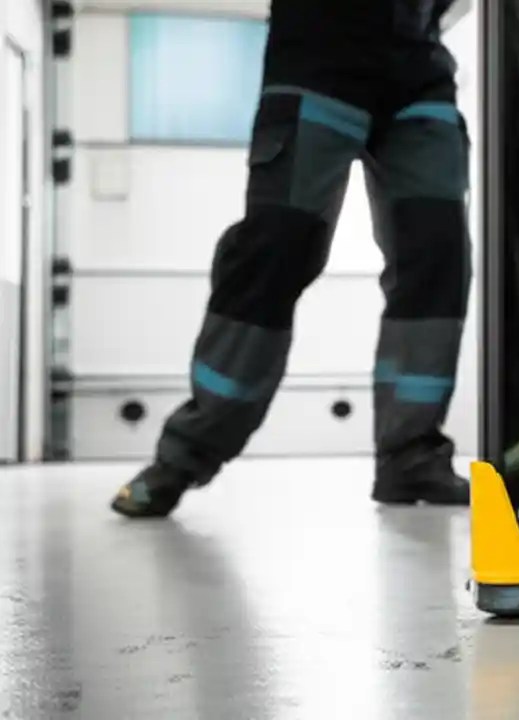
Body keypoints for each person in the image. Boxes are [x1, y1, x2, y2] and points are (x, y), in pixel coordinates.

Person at [111, 0, 474, 518]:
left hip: (419, 66)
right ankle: (185, 456)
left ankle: (410, 455)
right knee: (277, 248)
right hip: (316, 55)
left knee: (439, 255)